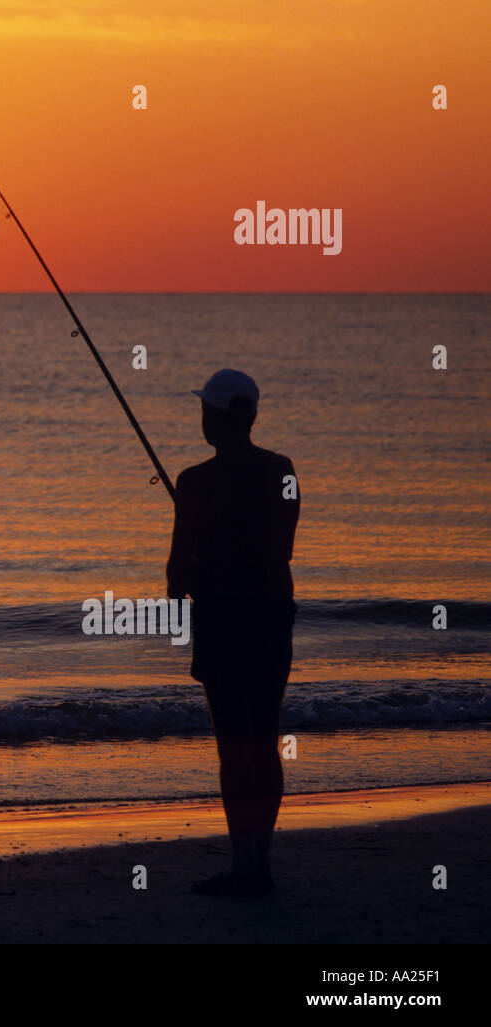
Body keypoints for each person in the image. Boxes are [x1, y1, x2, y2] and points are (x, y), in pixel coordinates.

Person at [166, 368, 299, 897]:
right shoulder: (283, 470)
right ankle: (260, 863)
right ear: (253, 417)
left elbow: (178, 577)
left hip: (224, 622)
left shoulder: (195, 481)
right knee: (264, 742)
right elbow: (279, 549)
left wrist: (194, 576)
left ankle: (241, 864)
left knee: (233, 746)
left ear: (214, 418)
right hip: (271, 617)